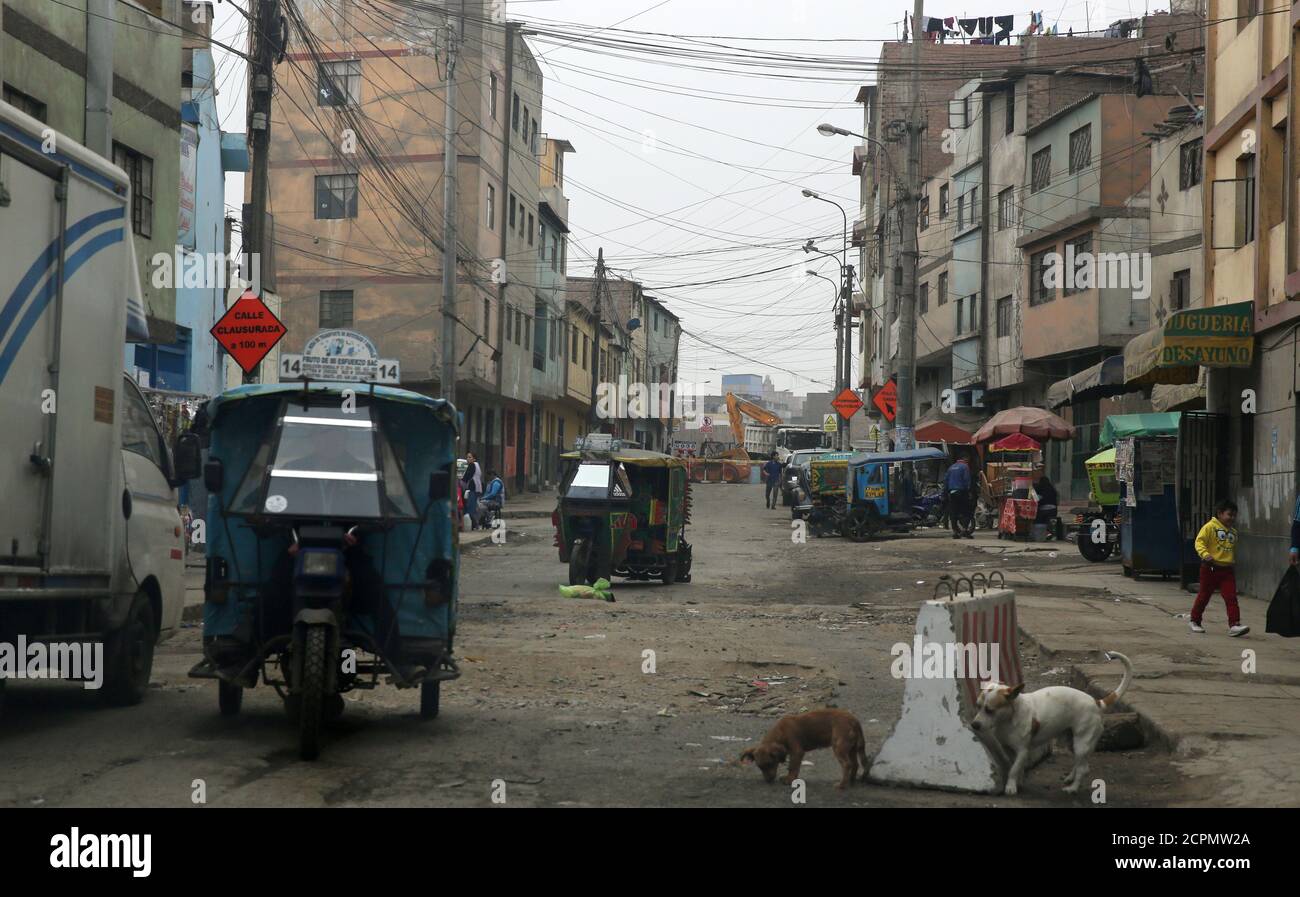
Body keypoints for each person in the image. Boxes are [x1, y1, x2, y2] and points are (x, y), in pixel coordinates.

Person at [1190, 499, 1249, 637]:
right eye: (1229, 515)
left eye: (1234, 515)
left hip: (1227, 570)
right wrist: (1205, 554)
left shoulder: (1233, 532)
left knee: (1231, 597)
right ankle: (1195, 621)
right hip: (1210, 568)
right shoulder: (1209, 527)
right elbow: (1199, 542)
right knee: (1204, 595)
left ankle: (1234, 624)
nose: (1232, 518)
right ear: (1220, 513)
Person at [944, 454, 974, 539]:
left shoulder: (951, 467)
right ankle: (964, 529)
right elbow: (967, 480)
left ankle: (955, 532)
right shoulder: (965, 467)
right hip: (961, 492)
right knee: (966, 511)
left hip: (952, 493)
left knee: (953, 512)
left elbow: (946, 481)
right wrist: (968, 491)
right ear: (965, 458)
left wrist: (945, 493)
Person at [462, 451, 483, 529]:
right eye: (467, 457)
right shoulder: (477, 465)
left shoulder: (472, 465)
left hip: (473, 488)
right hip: (478, 488)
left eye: (470, 457)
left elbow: (467, 476)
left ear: (474, 459)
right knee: (473, 506)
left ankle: (474, 524)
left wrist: (461, 480)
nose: (468, 459)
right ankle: (475, 524)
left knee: (470, 507)